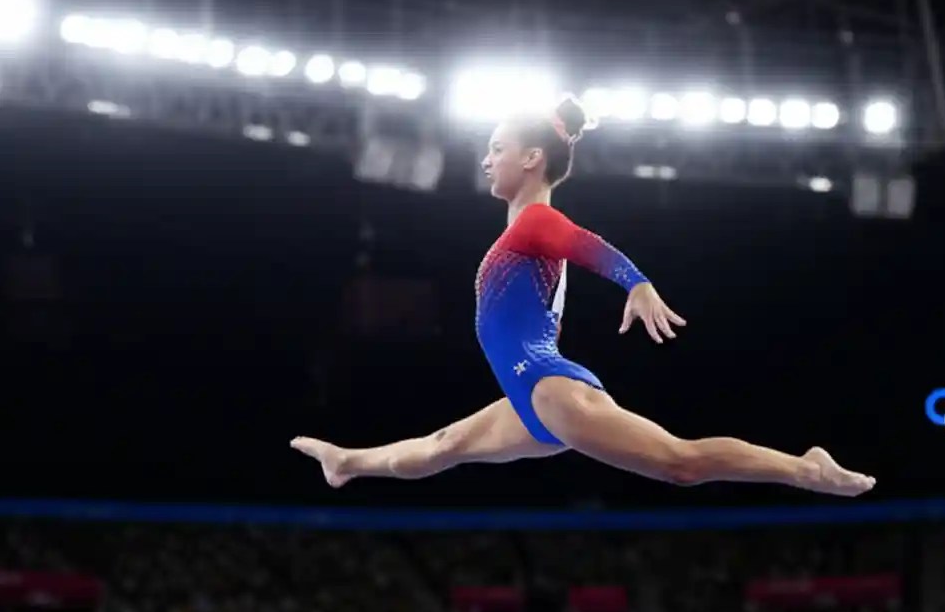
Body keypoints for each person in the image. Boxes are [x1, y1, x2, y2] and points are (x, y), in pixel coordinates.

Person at [291, 96, 875, 497]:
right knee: (441, 446)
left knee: (681, 463)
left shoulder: (534, 223)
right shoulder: (520, 230)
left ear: (532, 158)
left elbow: (584, 244)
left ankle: (805, 468)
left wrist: (636, 282)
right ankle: (348, 462)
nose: (486, 158)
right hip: (528, 395)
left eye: (497, 147)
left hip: (549, 387)